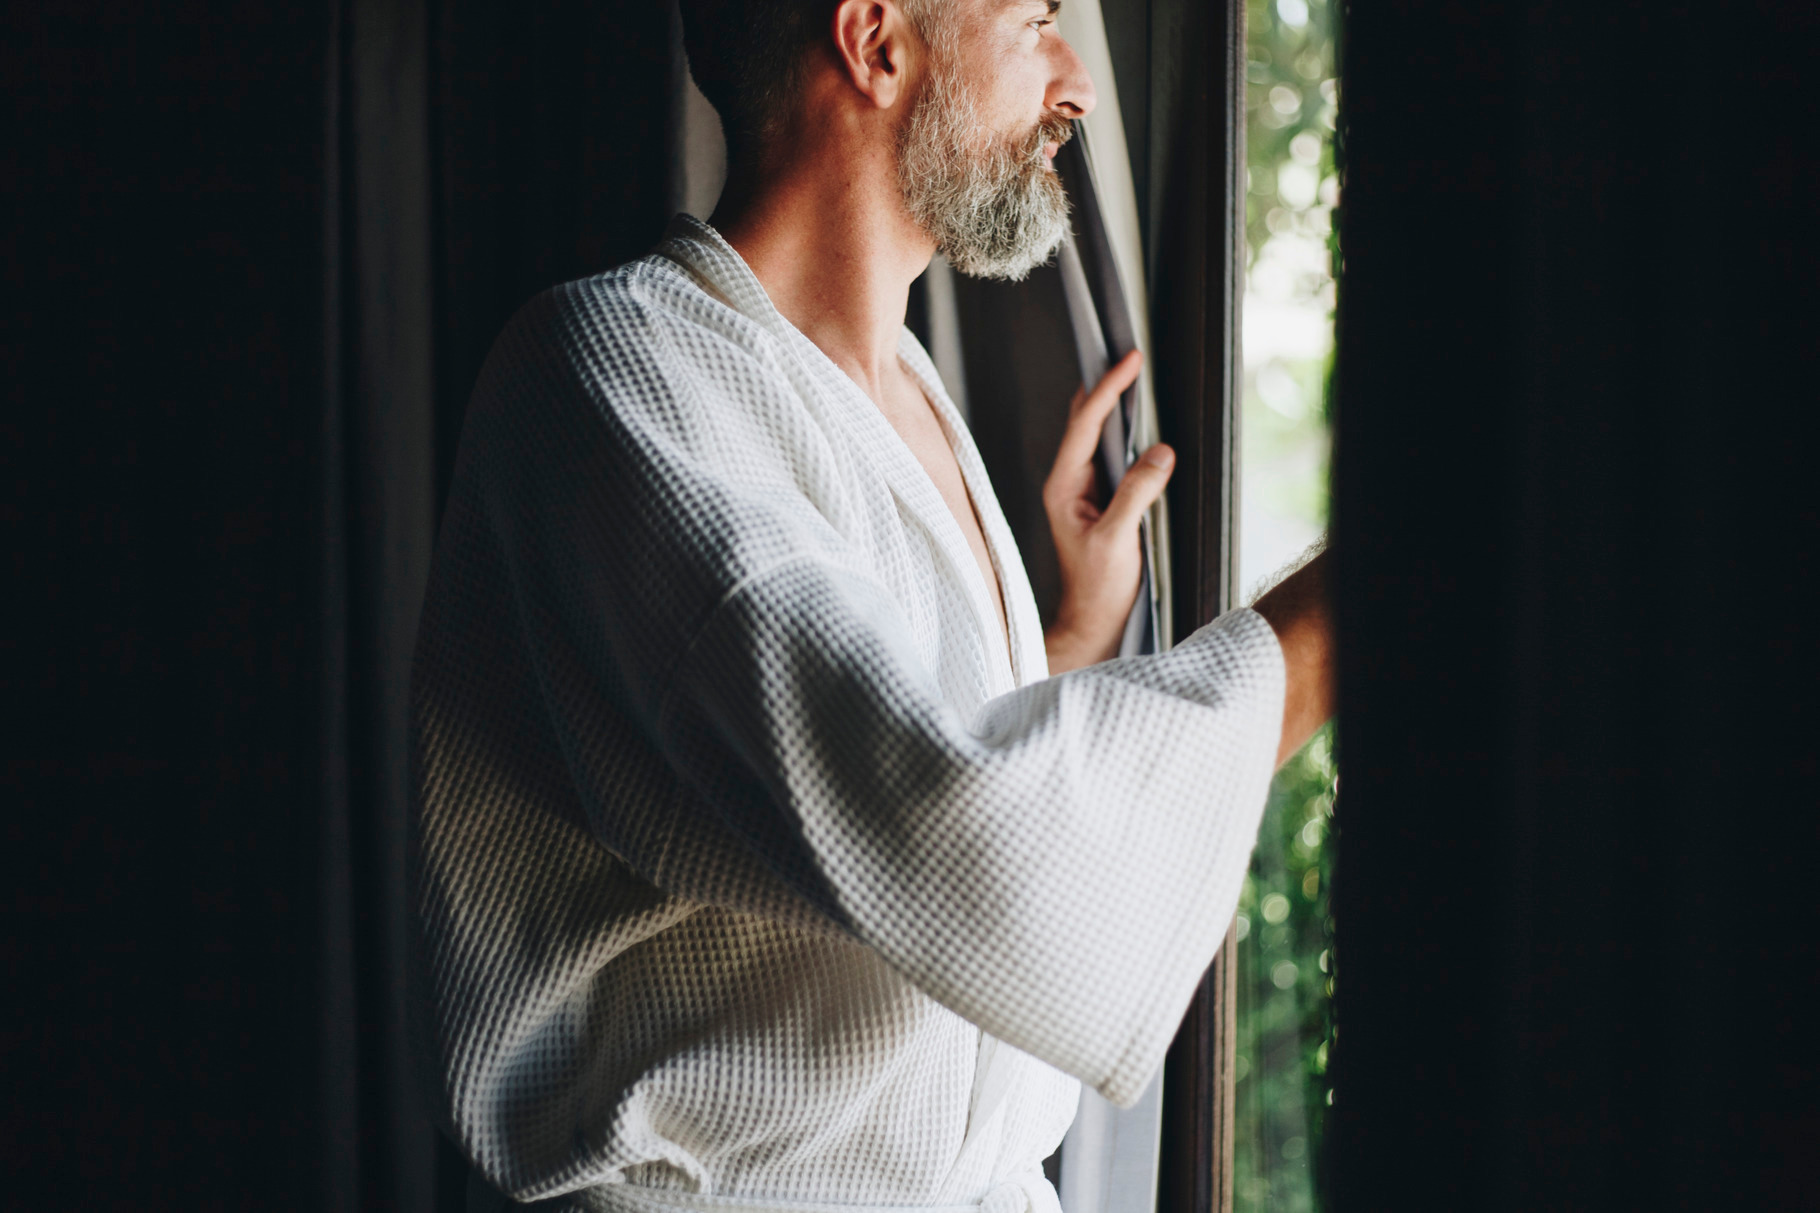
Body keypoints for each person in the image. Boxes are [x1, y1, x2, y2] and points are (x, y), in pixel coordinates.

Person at [408, 1, 1335, 1211]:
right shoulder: (608, 381)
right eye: (1036, 23)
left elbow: (835, 786)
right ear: (875, 40)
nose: (1077, 85)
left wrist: (1059, 642)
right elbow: (949, 828)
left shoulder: (906, 396)